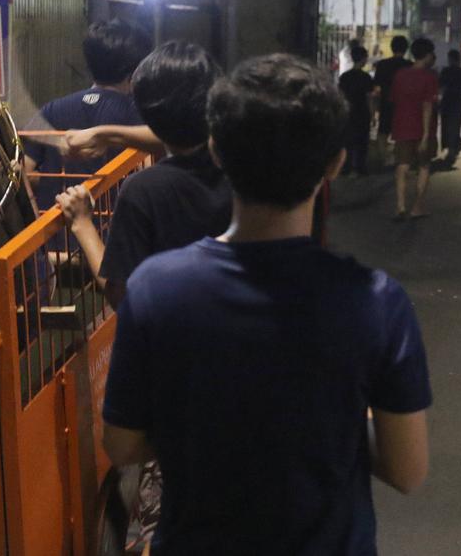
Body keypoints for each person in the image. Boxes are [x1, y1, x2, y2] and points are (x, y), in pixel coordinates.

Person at [103, 53, 431, 555]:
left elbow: (123, 445)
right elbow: (407, 471)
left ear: (216, 149)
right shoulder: (375, 300)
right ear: (335, 164)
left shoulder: (156, 288)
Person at [55, 40, 231, 553]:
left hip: (177, 382)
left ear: (145, 107)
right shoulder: (242, 164)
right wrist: (108, 132)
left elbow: (122, 296)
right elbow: (179, 137)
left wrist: (83, 224)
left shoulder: (146, 191)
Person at [23, 19, 150, 210]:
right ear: (135, 70)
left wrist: (59, 185)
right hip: (115, 233)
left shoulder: (50, 110)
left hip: (56, 230)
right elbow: (147, 172)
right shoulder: (140, 116)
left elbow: (25, 173)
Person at [390, 38, 439, 220]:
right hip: (422, 129)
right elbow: (427, 106)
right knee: (424, 166)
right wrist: (426, 135)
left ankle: (400, 205)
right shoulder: (429, 77)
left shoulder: (400, 75)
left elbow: (394, 100)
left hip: (402, 126)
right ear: (427, 56)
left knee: (402, 166)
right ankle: (417, 206)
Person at [372, 35, 412, 167]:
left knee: (383, 132)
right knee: (402, 133)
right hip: (405, 104)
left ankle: (385, 158)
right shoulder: (409, 66)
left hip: (386, 102)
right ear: (406, 49)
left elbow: (376, 88)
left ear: (391, 48)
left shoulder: (382, 65)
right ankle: (399, 157)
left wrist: (375, 107)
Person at [338, 44, 376, 176]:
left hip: (348, 112)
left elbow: (340, 96)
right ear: (363, 59)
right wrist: (372, 115)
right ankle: (360, 167)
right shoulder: (366, 78)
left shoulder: (344, 77)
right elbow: (369, 98)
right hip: (362, 112)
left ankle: (346, 167)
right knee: (362, 141)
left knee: (347, 141)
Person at [437, 49, 461, 167]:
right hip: (458, 103)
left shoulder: (445, 71)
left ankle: (452, 150)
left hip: (447, 102)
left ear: (450, 59)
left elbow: (440, 86)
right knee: (455, 126)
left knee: (446, 127)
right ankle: (455, 147)